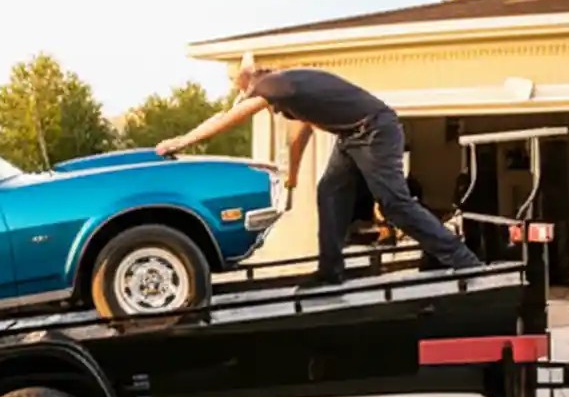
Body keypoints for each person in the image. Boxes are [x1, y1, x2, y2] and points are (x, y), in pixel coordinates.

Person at [154, 53, 482, 285]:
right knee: (329, 191)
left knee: (394, 204)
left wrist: (182, 141)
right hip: (353, 135)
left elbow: (228, 118)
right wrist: (293, 179)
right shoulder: (292, 87)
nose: (242, 96)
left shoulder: (272, 85)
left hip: (375, 131)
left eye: (241, 89)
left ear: (252, 81)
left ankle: (462, 260)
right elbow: (301, 133)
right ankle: (330, 270)